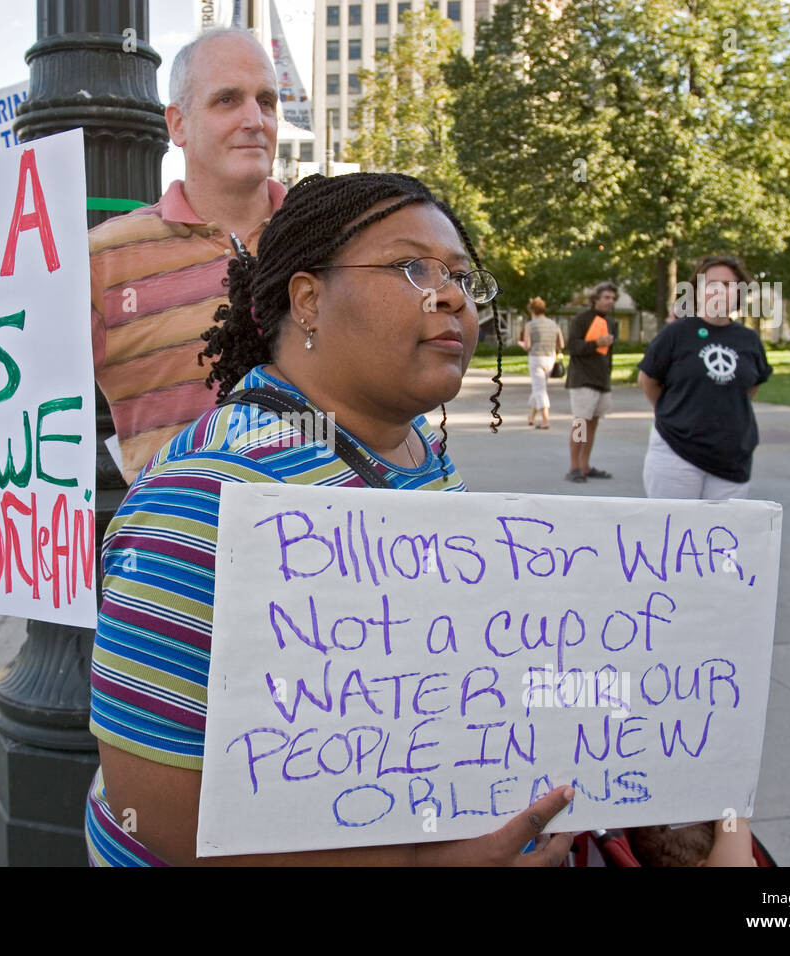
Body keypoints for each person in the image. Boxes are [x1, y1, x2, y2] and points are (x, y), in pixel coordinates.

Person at [85, 171, 575, 866]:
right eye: (413, 268)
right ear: (309, 301)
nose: (451, 297)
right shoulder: (205, 497)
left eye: (464, 279)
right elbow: (152, 811)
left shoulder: (416, 451)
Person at [0, 27, 287, 481]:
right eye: (227, 100)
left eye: (266, 101)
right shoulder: (102, 258)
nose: (254, 119)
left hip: (329, 541)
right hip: (179, 543)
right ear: (177, 124)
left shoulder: (333, 237)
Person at [637, 256, 772, 499]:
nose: (719, 290)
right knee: (674, 529)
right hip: (676, 450)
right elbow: (648, 380)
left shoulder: (748, 340)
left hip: (732, 456)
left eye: (728, 284)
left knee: (722, 533)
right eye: (711, 284)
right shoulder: (676, 333)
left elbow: (751, 386)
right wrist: (674, 411)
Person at [564, 282, 618, 482]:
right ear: (596, 299)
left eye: (612, 298)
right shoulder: (581, 319)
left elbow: (609, 355)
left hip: (601, 380)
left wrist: (608, 376)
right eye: (606, 297)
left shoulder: (612, 323)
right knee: (580, 423)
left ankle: (585, 465)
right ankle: (574, 467)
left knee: (593, 423)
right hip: (582, 379)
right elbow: (572, 346)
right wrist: (596, 343)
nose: (610, 301)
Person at [519, 297, 563, 429]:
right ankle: (532, 417)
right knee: (539, 387)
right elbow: (561, 343)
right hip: (550, 358)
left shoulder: (530, 325)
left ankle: (545, 420)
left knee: (540, 390)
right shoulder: (554, 324)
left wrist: (522, 345)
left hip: (536, 358)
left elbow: (527, 345)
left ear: (532, 310)